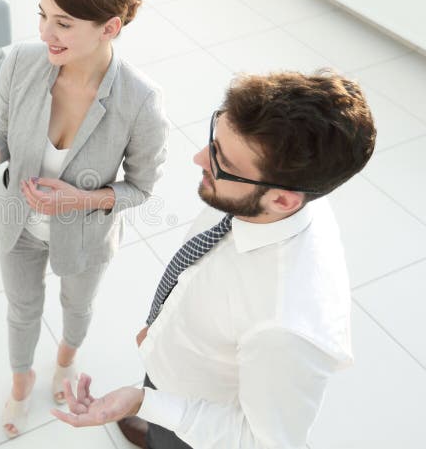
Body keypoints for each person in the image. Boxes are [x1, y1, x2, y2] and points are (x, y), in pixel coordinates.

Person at [51, 70, 376, 449]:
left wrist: (147, 403)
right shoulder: (267, 200)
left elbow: (263, 441)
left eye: (222, 161)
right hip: (182, 373)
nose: (199, 158)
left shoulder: (285, 327)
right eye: (214, 138)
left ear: (283, 200)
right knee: (157, 425)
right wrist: (161, 335)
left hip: (201, 428)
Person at [0, 0, 169, 438]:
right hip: (17, 221)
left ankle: (65, 362)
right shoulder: (22, 61)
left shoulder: (140, 100)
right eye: (42, 14)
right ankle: (22, 382)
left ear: (110, 27)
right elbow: (3, 138)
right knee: (21, 308)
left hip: (85, 236)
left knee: (77, 308)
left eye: (62, 23)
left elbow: (141, 187)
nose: (44, 33)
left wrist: (78, 200)